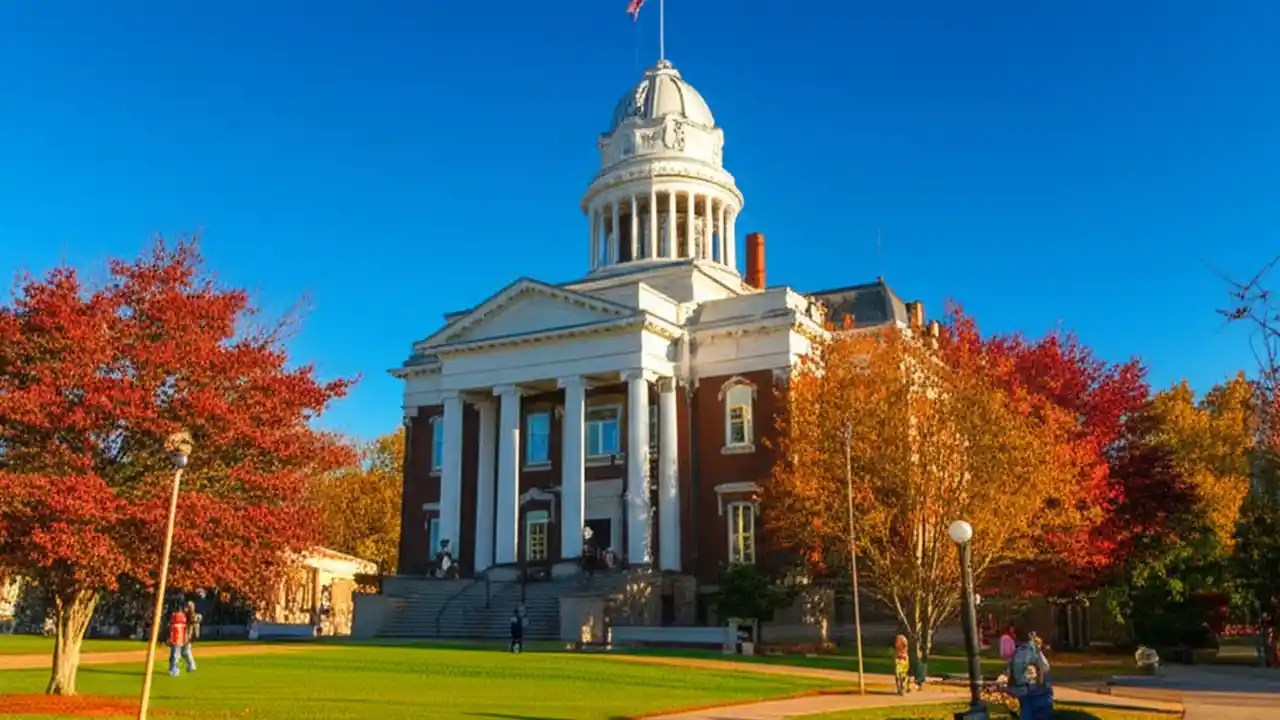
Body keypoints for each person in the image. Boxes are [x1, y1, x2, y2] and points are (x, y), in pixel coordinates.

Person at [1007, 630, 1052, 720]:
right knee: (1034, 711)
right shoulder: (1032, 652)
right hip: (1032, 688)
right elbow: (1044, 668)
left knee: (1026, 709)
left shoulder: (1019, 652)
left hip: (1022, 687)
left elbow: (1011, 670)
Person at [167, 608, 196, 676]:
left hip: (178, 639)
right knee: (185, 652)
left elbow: (172, 631)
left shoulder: (177, 620)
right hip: (184, 638)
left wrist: (170, 639)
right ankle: (191, 665)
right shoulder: (185, 620)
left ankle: (174, 670)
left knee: (175, 654)